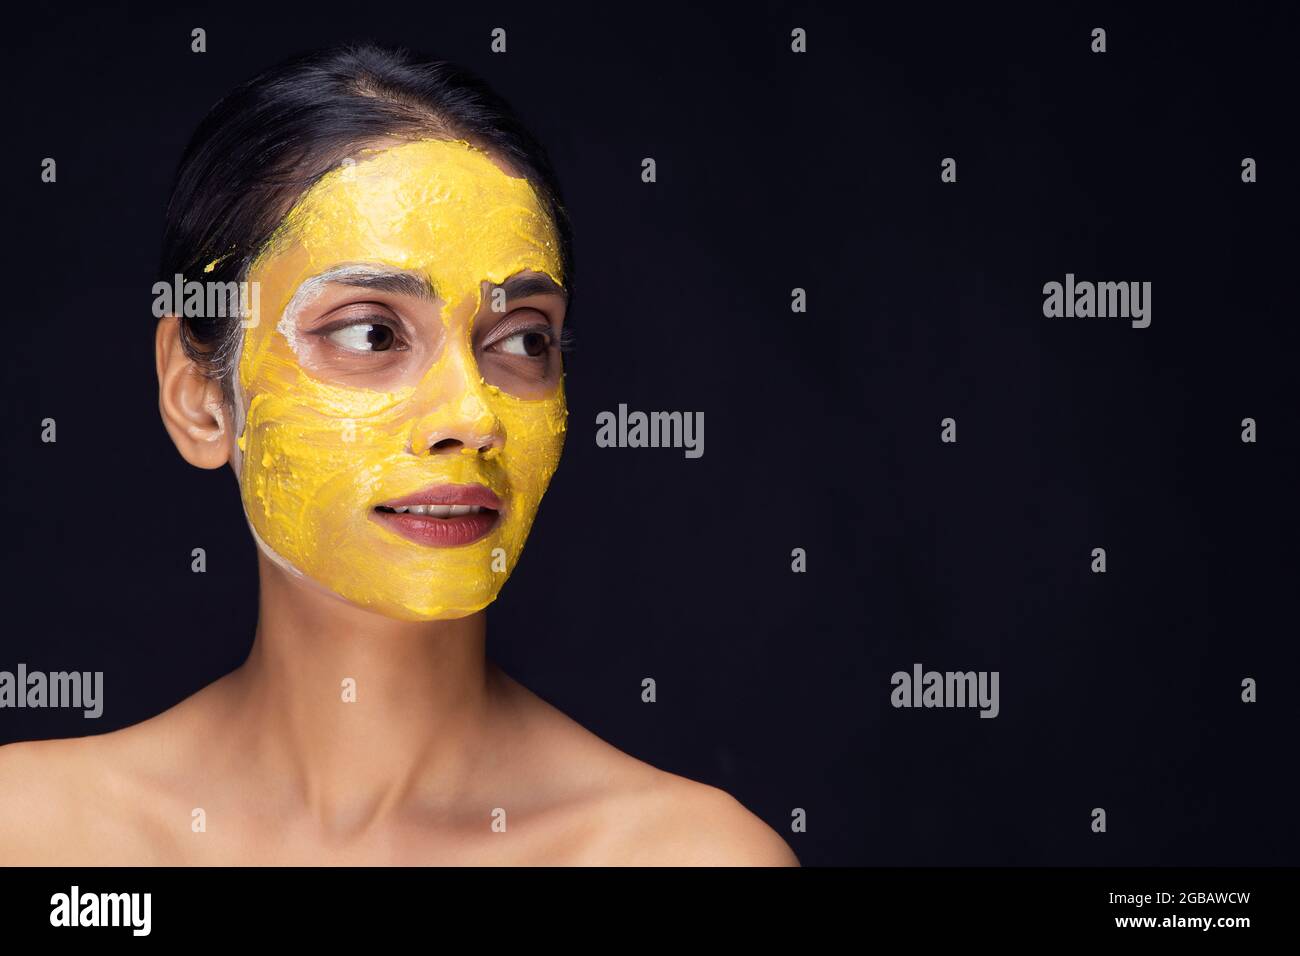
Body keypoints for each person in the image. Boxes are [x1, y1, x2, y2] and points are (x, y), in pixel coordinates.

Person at [0, 43, 798, 866]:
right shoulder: (32, 836)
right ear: (200, 398)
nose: (470, 416)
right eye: (370, 333)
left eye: (523, 340)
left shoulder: (686, 857)